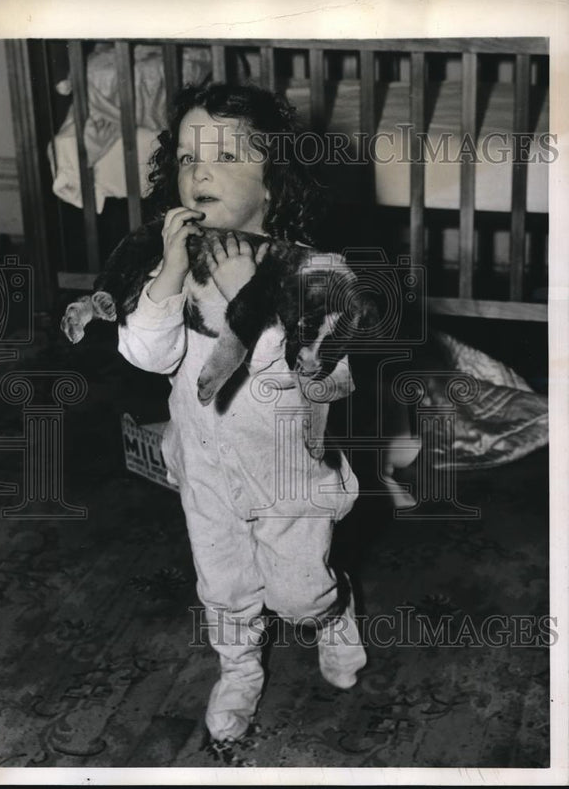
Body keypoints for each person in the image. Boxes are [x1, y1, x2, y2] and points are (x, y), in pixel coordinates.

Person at [117, 82, 367, 743]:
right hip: (205, 465)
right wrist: (169, 274)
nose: (199, 171)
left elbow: (322, 376)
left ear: (274, 182)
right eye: (187, 157)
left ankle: (333, 611)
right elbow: (147, 354)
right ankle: (239, 667)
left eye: (225, 155)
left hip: (285, 472)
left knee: (296, 592)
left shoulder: (317, 274)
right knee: (223, 582)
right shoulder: (182, 258)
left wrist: (242, 304)